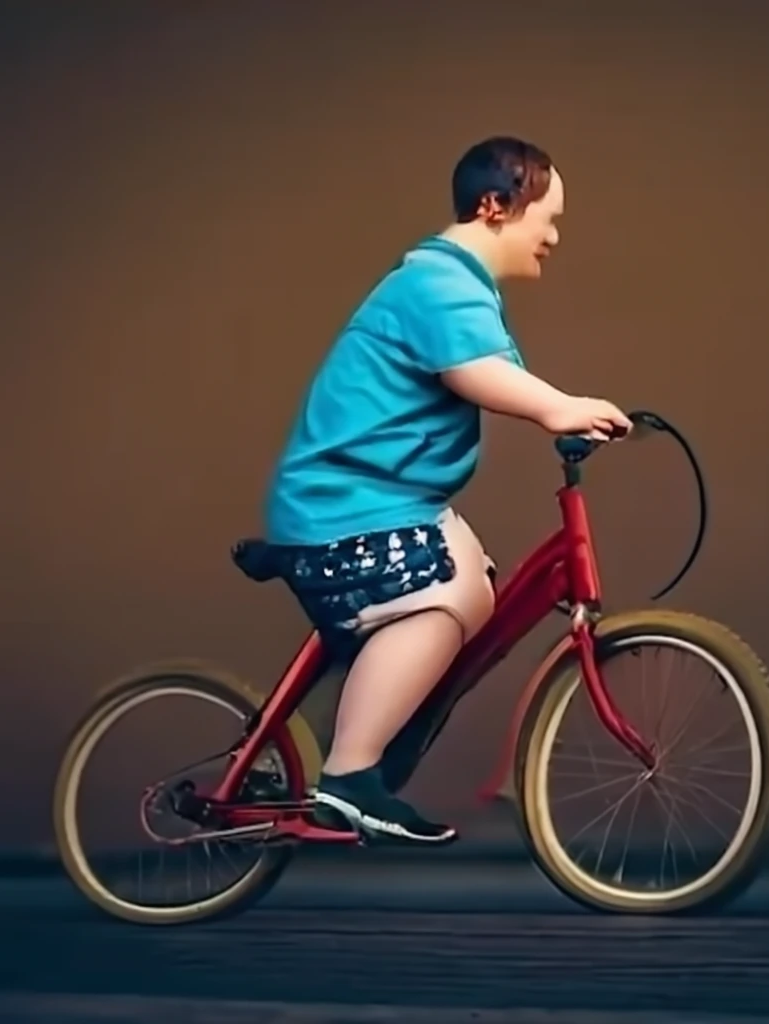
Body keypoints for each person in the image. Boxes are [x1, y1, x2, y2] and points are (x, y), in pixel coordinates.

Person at [262, 136, 632, 844]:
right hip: (339, 508)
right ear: (494, 207)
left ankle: (379, 720)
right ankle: (349, 776)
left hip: (375, 500)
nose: (553, 237)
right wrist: (558, 405)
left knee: (471, 579)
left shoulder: (457, 285)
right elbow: (478, 373)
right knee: (441, 599)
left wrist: (561, 406)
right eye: (545, 218)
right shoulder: (437, 283)